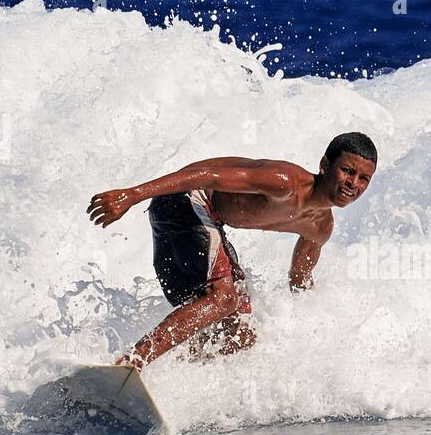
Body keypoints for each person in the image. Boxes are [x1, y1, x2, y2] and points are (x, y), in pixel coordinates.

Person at [86, 132, 378, 368]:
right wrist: (132, 195)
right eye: (348, 171)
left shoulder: (320, 227)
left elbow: (300, 283)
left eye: (363, 178)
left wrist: (317, 328)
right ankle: (132, 363)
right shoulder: (284, 183)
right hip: (184, 198)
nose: (353, 183)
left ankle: (163, 368)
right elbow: (207, 175)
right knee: (223, 298)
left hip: (205, 219)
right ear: (325, 165)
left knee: (240, 335)